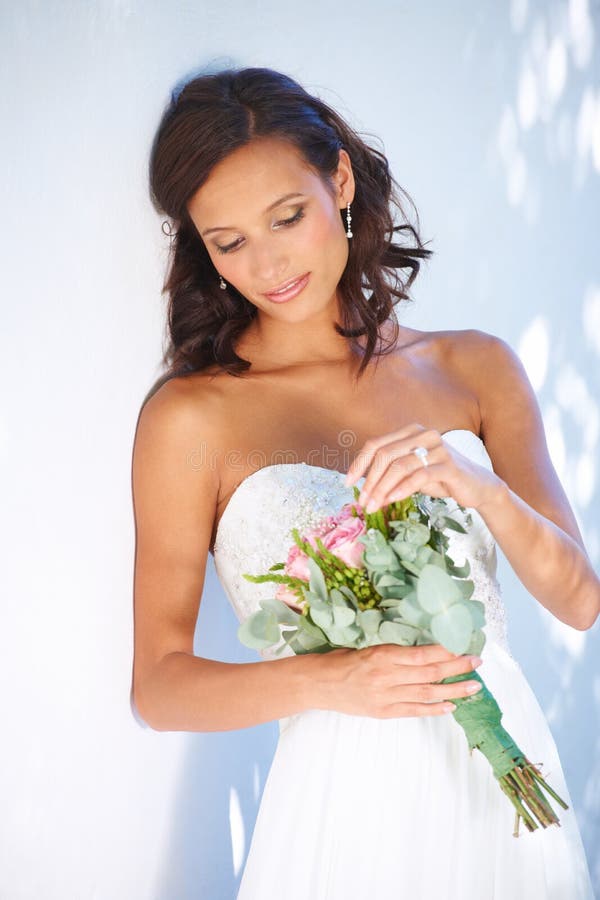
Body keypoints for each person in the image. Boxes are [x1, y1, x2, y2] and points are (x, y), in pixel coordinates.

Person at [131, 66, 597, 898]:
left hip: (503, 793)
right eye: (228, 242)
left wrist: (477, 487)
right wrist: (333, 680)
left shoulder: (473, 366)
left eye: (288, 217)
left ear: (339, 179)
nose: (267, 264)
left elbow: (580, 600)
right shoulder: (191, 418)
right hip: (340, 806)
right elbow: (160, 686)